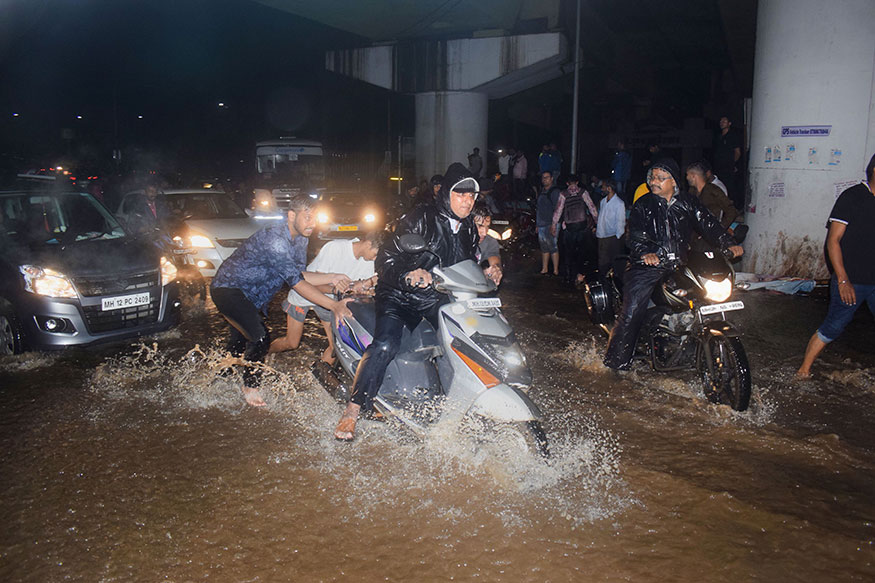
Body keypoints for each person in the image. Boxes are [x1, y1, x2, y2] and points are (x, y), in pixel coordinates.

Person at [334, 163, 502, 440]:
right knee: (386, 343)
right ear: (447, 194)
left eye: (472, 196)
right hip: (399, 295)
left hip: (435, 297)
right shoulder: (421, 217)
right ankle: (352, 410)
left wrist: (488, 271)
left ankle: (462, 404)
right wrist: (408, 273)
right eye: (461, 194)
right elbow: (385, 258)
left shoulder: (470, 228)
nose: (467, 201)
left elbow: (466, 265)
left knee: (469, 336)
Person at [210, 193, 353, 407]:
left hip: (252, 299)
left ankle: (213, 387)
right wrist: (333, 305)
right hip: (229, 289)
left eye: (316, 218)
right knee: (260, 338)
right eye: (308, 217)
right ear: (291, 215)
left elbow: (298, 274)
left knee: (238, 346)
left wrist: (333, 277)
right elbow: (296, 283)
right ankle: (250, 388)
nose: (313, 224)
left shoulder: (301, 239)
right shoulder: (275, 240)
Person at [603, 158, 743, 371]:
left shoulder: (689, 202)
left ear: (674, 182)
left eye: (660, 178)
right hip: (645, 266)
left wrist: (728, 243)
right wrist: (645, 253)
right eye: (652, 177)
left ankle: (692, 346)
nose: (654, 182)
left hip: (679, 264)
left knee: (702, 298)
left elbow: (708, 224)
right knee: (632, 311)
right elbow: (634, 235)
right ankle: (616, 363)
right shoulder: (644, 205)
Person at [797, 153, 875, 379]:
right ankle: (803, 371)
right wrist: (842, 279)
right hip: (851, 279)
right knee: (833, 326)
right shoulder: (852, 197)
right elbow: (833, 241)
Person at [269, 231, 381, 364]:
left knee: (336, 347)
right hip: (304, 294)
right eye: (375, 254)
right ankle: (264, 352)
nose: (375, 259)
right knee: (292, 343)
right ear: (368, 244)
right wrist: (335, 289)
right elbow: (313, 285)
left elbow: (367, 288)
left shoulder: (369, 262)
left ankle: (319, 377)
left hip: (330, 301)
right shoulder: (335, 248)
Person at [551, 174, 598, 284]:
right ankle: (580, 274)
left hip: (569, 228)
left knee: (568, 253)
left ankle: (568, 276)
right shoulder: (583, 192)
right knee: (581, 252)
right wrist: (596, 222)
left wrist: (553, 225)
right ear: (577, 182)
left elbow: (558, 210)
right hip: (582, 227)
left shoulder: (563, 194)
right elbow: (592, 207)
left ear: (567, 183)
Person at [685, 160, 737, 229]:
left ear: (694, 176)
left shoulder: (713, 190)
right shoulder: (692, 191)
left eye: (688, 175)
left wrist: (720, 228)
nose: (687, 178)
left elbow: (731, 211)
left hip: (709, 234)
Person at [596, 179, 626, 276]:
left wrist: (618, 237)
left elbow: (620, 222)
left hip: (612, 236)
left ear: (609, 188)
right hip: (602, 235)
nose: (602, 189)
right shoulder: (603, 201)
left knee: (613, 263)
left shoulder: (619, 203)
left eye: (603, 187)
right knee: (602, 262)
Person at [713, 116, 743, 209]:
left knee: (730, 186)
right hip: (719, 166)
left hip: (728, 166)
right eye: (721, 121)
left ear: (729, 123)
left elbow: (737, 152)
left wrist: (733, 164)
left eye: (724, 121)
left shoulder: (732, 136)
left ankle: (735, 206)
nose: (722, 123)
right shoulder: (718, 137)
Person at [536, 171, 562, 275]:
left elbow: (558, 209)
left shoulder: (555, 192)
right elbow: (539, 209)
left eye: (547, 177)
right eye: (543, 178)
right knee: (544, 247)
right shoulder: (542, 192)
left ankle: (555, 270)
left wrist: (554, 224)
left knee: (553, 246)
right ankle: (545, 268)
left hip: (551, 223)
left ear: (551, 178)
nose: (544, 179)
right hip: (541, 224)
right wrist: (537, 225)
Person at [473, 203, 502, 274]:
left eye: (487, 227)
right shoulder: (457, 240)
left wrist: (495, 271)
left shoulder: (490, 241)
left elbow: (495, 261)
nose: (485, 233)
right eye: (480, 226)